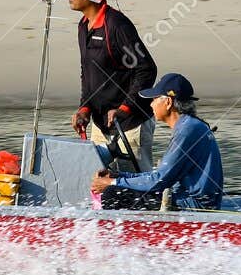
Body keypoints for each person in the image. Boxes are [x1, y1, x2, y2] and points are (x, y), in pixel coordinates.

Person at [64, 0, 158, 171]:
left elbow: (146, 69)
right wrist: (85, 109)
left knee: (134, 191)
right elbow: (88, 75)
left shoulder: (117, 25)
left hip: (131, 124)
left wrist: (124, 108)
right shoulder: (83, 26)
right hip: (100, 125)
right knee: (100, 187)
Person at [90, 72, 223, 210]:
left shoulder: (187, 130)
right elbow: (160, 175)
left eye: (154, 99)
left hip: (195, 205)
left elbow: (159, 180)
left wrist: (113, 182)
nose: (151, 104)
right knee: (118, 187)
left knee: (112, 194)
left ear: (168, 102)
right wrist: (119, 175)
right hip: (190, 198)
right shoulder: (190, 125)